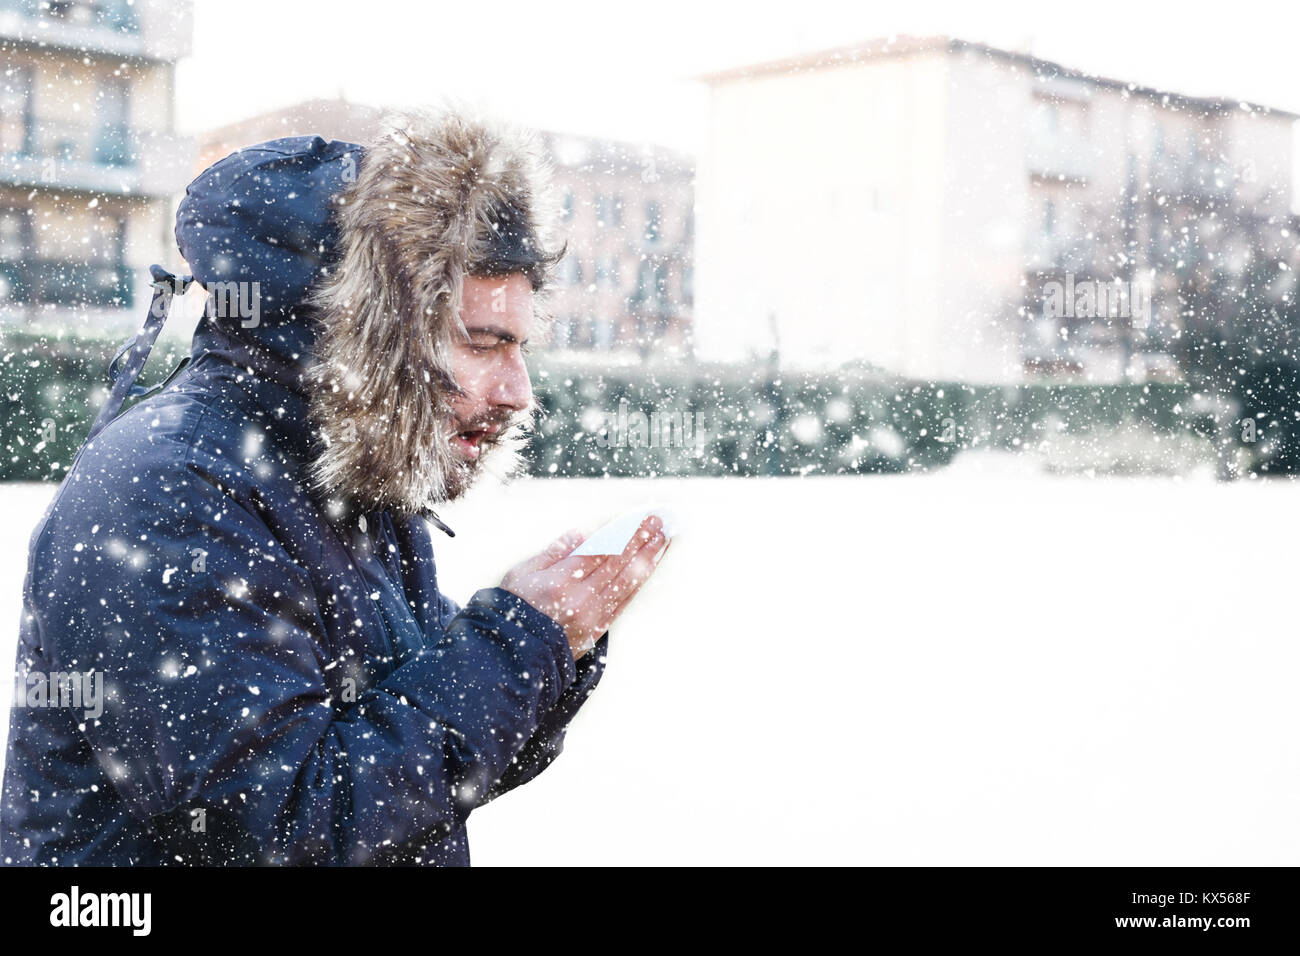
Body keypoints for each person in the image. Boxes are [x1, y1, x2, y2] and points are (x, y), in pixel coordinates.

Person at [0, 107, 668, 866]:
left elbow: (426, 774)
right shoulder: (171, 494)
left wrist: (549, 638)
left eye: (519, 347)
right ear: (364, 334)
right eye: (483, 345)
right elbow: (280, 827)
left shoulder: (347, 476)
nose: (518, 391)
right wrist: (520, 642)